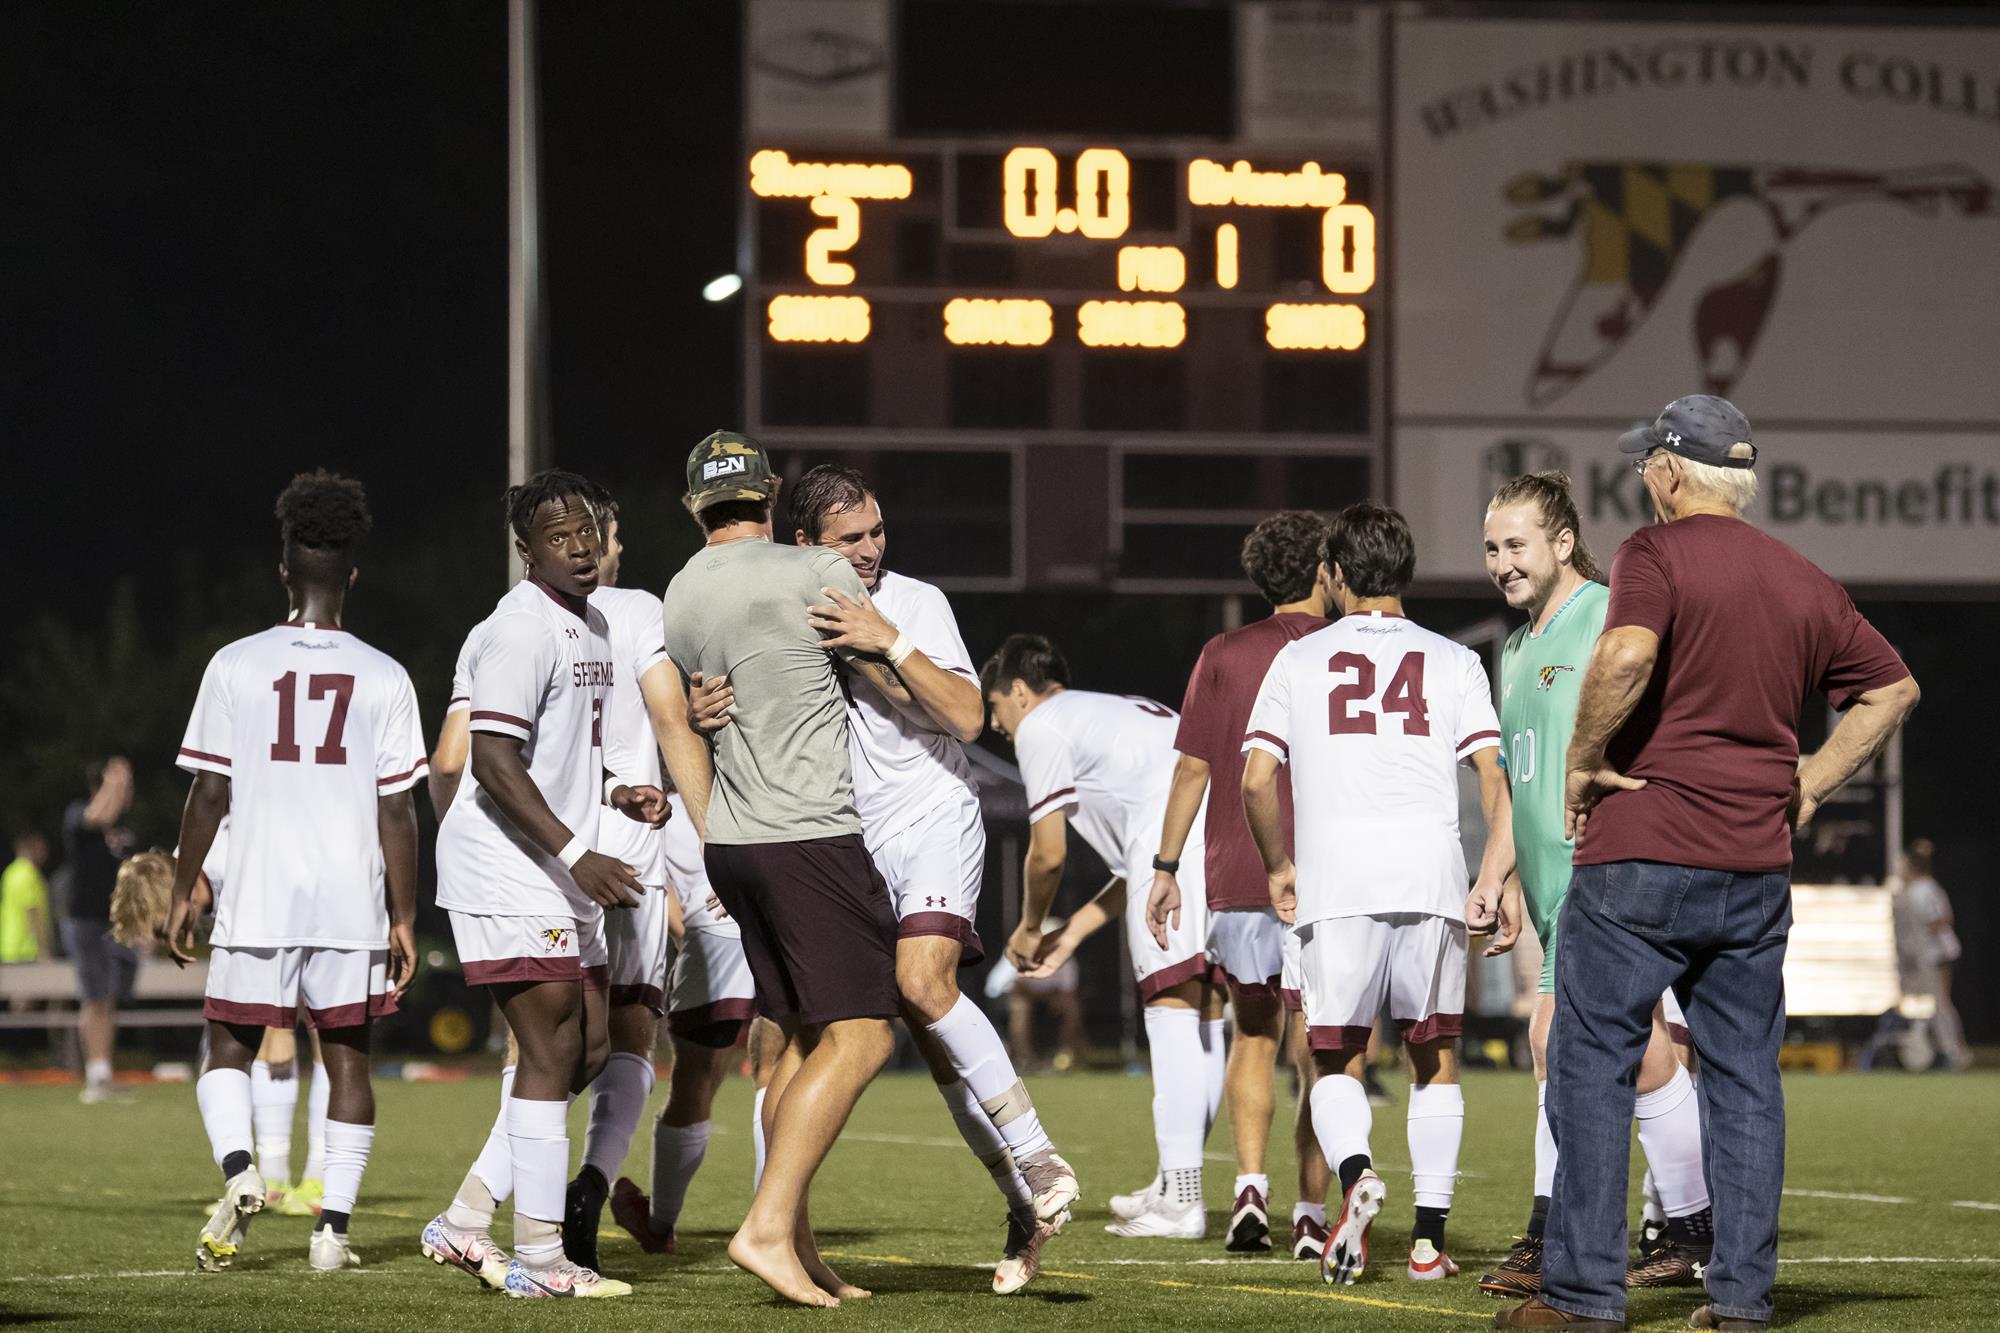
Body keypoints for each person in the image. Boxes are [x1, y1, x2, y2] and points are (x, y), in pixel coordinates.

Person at [1497, 396, 1920, 1331]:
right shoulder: (1802, 576)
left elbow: (1629, 652)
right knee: (1744, 1081)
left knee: (1591, 1066)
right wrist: (1809, 781)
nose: (1644, 474)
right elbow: (1892, 688)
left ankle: (1580, 1299)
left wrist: (1583, 759)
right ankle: (1739, 1303)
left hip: (1644, 851)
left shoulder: (1653, 553)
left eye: (1648, 460)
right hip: (1754, 868)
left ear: (1670, 471)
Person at [693, 464, 1078, 1291]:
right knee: (801, 1042)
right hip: (839, 840)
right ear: (803, 545)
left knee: (923, 980)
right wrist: (706, 709)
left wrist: (883, 643)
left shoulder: (914, 600)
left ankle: (1039, 1159)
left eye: (876, 531)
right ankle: (793, 1235)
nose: (870, 550)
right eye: (850, 538)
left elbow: (968, 717)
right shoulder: (778, 608)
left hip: (933, 818)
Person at [660, 431, 907, 1309]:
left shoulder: (680, 591)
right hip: (808, 832)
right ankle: (766, 1227)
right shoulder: (814, 576)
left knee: (799, 1041)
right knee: (867, 1032)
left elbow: (700, 696)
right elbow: (902, 683)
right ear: (770, 501)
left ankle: (797, 1248)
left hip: (733, 840)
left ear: (697, 508)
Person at [1241, 501, 1516, 1286]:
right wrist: (1498, 873)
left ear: (1332, 573)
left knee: (1335, 1060)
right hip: (1433, 879)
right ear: (1407, 571)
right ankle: (1429, 1243)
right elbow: (1494, 777)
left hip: (1337, 886)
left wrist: (1277, 866)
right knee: (1435, 1059)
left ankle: (1358, 1172)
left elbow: (1256, 777)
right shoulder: (1454, 659)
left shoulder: (1298, 660)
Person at [165, 469, 428, 1273]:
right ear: (354, 573)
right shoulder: (385, 674)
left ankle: (244, 1176)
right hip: (349, 898)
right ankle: (331, 1234)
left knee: (228, 1049)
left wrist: (184, 888)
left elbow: (209, 793)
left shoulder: (235, 664)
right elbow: (398, 812)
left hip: (260, 890)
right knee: (347, 1059)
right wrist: (405, 913)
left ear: (283, 568)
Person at [422, 469, 665, 1300]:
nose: (583, 544)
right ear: (527, 550)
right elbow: (489, 761)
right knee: (554, 1045)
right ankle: (540, 1255)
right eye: (561, 535)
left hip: (553, 863)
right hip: (508, 865)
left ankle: (462, 1222)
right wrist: (575, 849)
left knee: (590, 1048)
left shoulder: (592, 624)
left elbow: (559, 757)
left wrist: (618, 793)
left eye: (589, 528)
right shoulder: (518, 628)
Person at [1478, 472, 1714, 1300]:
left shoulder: (1608, 614)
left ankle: (1677, 1225)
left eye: (1517, 545)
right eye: (1491, 549)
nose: (1502, 563)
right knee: (1574, 1045)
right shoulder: (1514, 647)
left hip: (1605, 870)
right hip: (1551, 890)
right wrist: (1495, 874)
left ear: (1563, 542)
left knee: (1612, 1046)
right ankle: (1661, 1225)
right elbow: (1519, 778)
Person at [986, 634, 1223, 1242]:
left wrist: (1031, 925)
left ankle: (1183, 1198)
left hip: (1176, 849)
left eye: (996, 706)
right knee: (1206, 1015)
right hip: (1218, 840)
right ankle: (1177, 1183)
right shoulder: (1116, 710)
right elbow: (1137, 858)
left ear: (1020, 690)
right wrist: (1073, 934)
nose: (995, 724)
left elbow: (1047, 854)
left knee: (1171, 1013)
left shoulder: (1043, 725)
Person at [1145, 509, 1335, 1259]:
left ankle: (1249, 1191)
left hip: (1237, 872)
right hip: (1323, 872)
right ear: (1325, 569)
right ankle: (1312, 1211)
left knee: (1251, 1033)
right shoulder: (1343, 646)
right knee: (1324, 1045)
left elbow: (1192, 766)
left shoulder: (1221, 652)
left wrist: (1164, 869)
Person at [561, 488, 709, 1271]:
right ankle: (590, 1178)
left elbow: (458, 757)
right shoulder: (636, 606)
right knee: (631, 1032)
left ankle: (497, 1205)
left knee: (540, 1040)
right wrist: (717, 835)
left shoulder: (509, 617)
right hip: (631, 833)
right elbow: (667, 717)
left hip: (548, 842)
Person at [609, 786, 757, 1254]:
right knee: (781, 1072)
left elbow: (667, 902)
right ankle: (781, 1224)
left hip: (716, 937)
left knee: (694, 1082)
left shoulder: (655, 804)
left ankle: (660, 1222)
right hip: (788, 920)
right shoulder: (755, 768)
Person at [62, 757, 137, 1103]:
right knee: (95, 997)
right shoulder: (78, 813)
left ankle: (103, 1071)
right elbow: (99, 815)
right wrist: (113, 779)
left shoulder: (126, 829)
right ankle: (95, 1075)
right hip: (87, 919)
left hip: (114, 923)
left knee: (109, 998)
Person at [1899, 839, 1970, 1071]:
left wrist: (1925, 937)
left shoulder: (1924, 889)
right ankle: (1950, 1049)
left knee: (1941, 1004)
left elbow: (1942, 920)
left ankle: (1954, 1051)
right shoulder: (1918, 889)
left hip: (1938, 954)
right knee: (1939, 1003)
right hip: (1930, 954)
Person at [2, 832, 52, 965]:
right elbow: (31, 911)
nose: (44, 854)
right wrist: (43, 949)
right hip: (27, 948)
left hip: (10, 944)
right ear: (30, 848)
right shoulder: (29, 874)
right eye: (41, 849)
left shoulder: (11, 872)